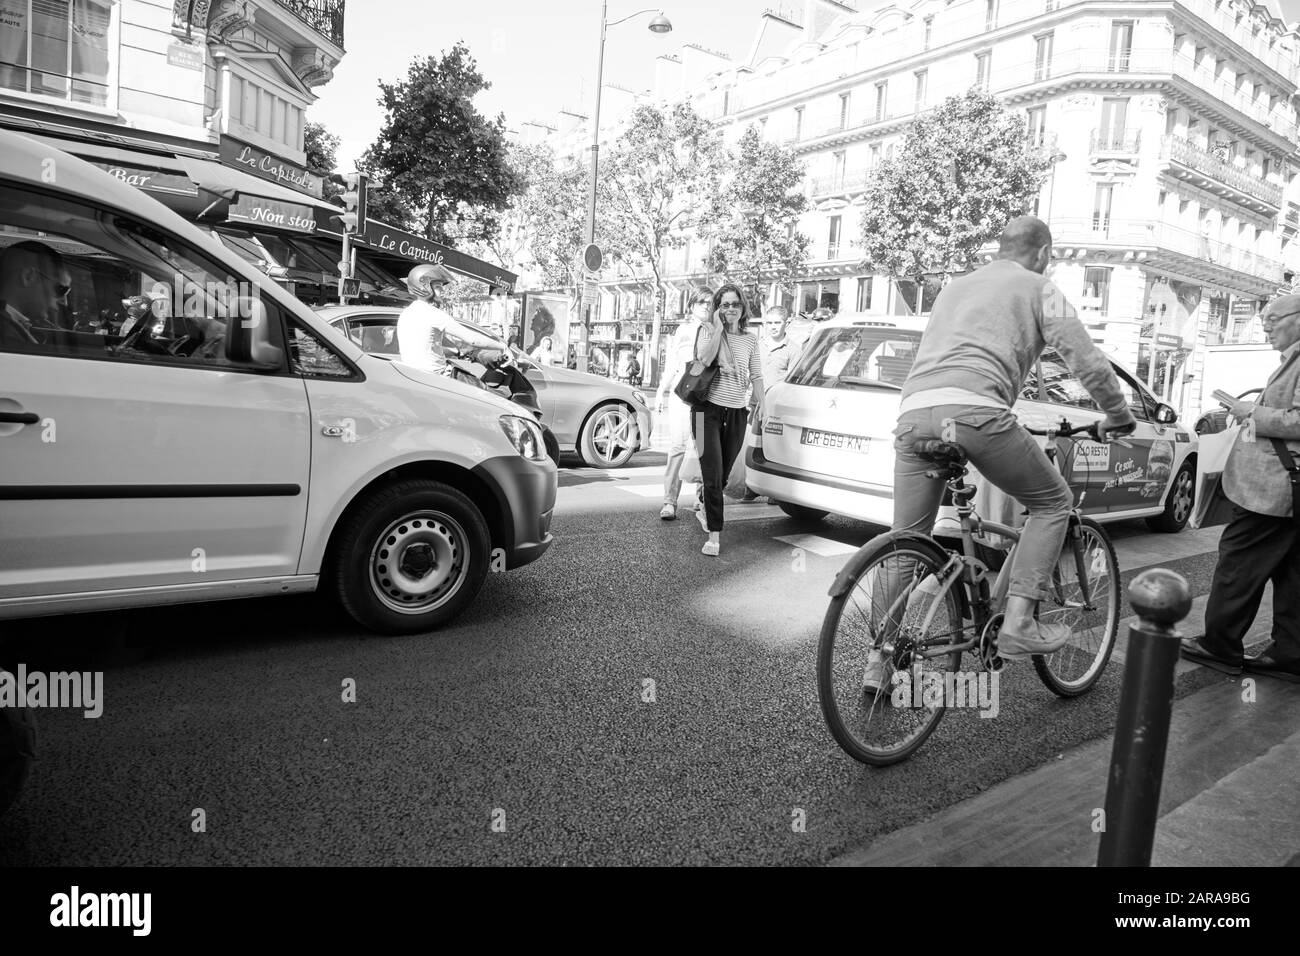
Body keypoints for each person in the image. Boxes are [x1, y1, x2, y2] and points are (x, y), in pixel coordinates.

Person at [886, 215, 1136, 678]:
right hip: (977, 413)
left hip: (914, 413)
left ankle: (879, 661)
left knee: (906, 543)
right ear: (1043, 254)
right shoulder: (1042, 288)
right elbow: (1088, 362)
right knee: (1053, 502)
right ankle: (1019, 621)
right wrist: (1119, 414)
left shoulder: (954, 288)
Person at [1180, 295, 1300, 681]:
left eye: (1273, 319)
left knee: (1239, 563)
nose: (1265, 326)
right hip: (1285, 486)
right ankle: (1291, 654)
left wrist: (1254, 413)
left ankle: (1221, 646)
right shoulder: (1291, 360)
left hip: (1272, 489)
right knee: (1291, 573)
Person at [692, 283, 764, 556]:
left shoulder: (751, 339)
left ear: (743, 307)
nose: (730, 309)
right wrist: (719, 329)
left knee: (721, 476)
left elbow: (756, 375)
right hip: (702, 412)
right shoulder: (707, 331)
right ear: (717, 308)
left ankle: (704, 499)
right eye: (725, 305)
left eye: (735, 304)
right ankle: (715, 536)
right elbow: (704, 359)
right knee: (712, 474)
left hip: (736, 413)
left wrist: (764, 407)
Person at [656, 286, 713, 520]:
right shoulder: (683, 331)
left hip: (703, 399)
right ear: (691, 305)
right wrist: (661, 390)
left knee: (702, 449)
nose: (706, 306)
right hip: (681, 397)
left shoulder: (716, 331)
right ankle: (670, 501)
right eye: (701, 302)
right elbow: (672, 364)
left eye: (709, 303)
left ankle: (701, 497)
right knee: (678, 448)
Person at [0, 240, 70, 348]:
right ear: (28, 277)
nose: (64, 302)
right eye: (60, 289)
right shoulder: (7, 336)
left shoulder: (12, 325)